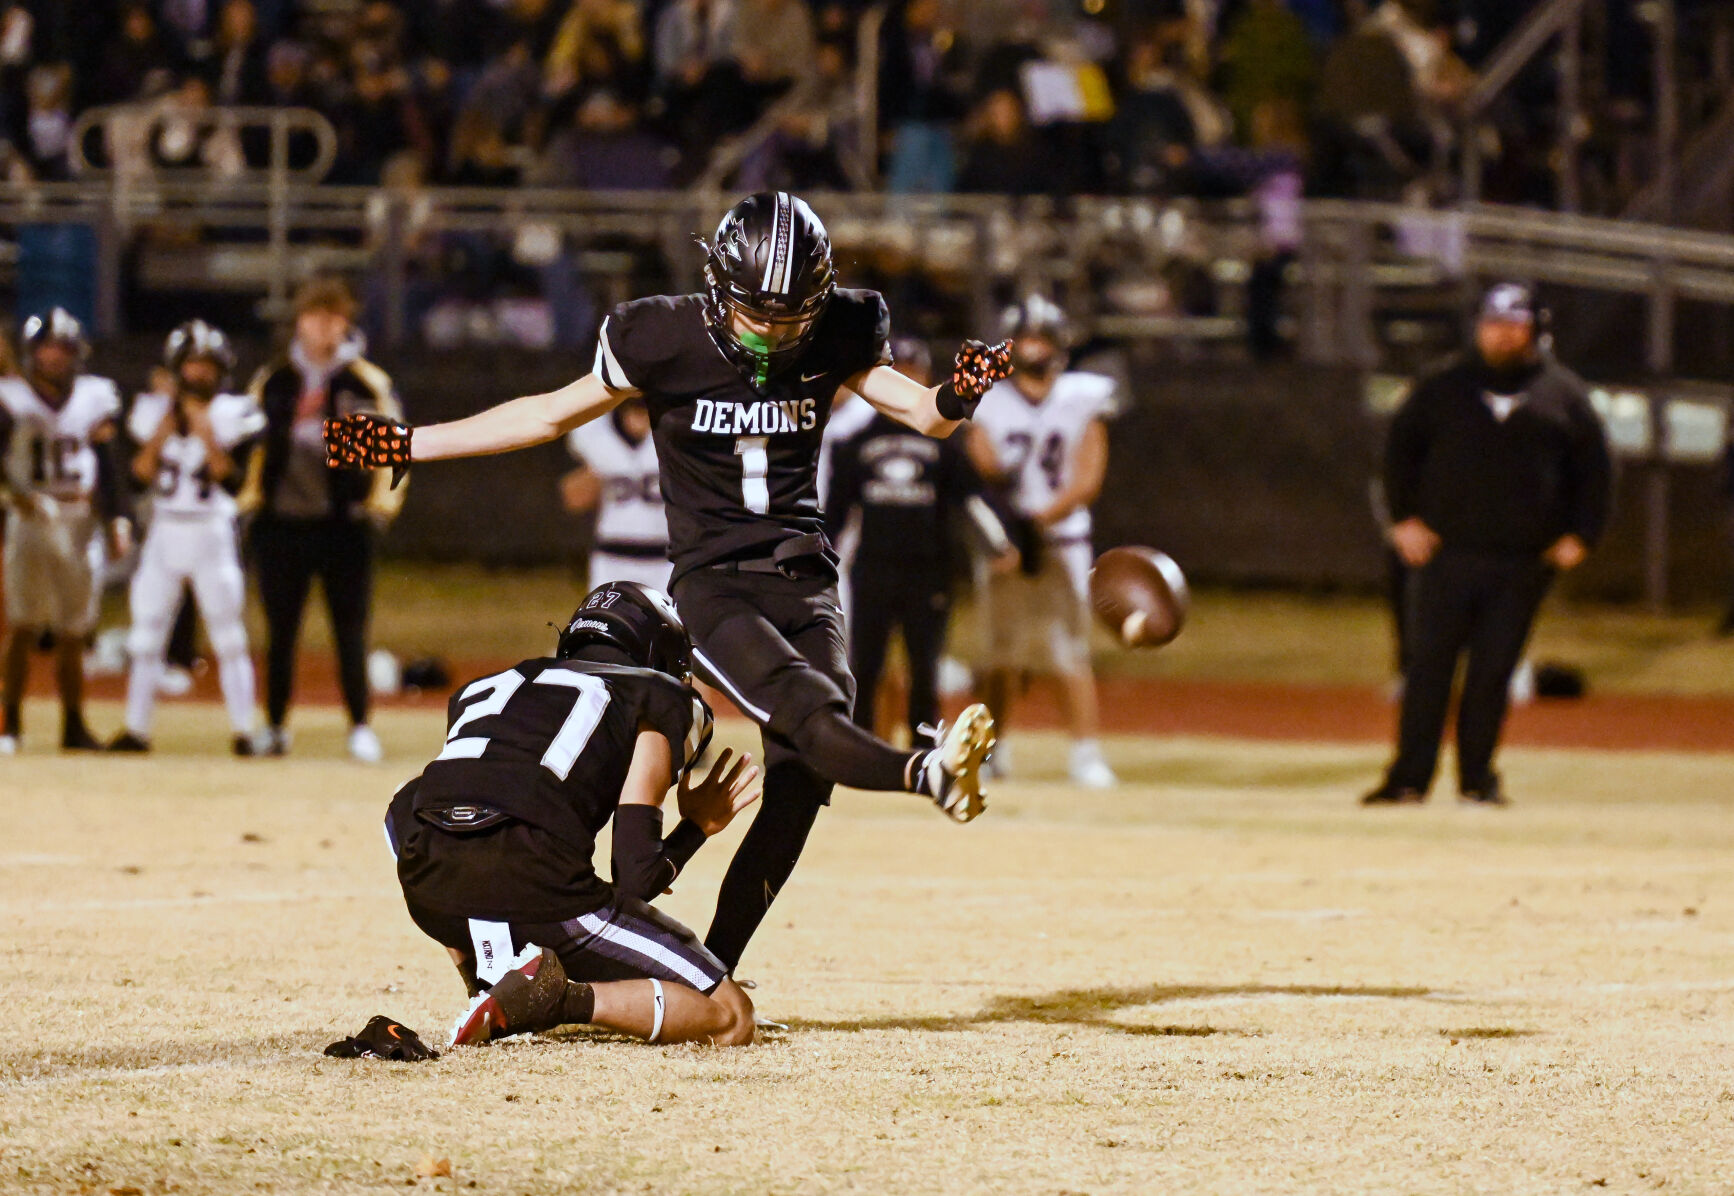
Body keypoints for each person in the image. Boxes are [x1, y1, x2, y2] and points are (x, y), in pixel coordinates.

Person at [326, 191, 1011, 976]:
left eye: (794, 318)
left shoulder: (844, 325)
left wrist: (958, 397)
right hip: (716, 586)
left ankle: (712, 974)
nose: (776, 334)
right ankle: (925, 771)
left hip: (805, 576)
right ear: (719, 288)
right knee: (805, 705)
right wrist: (412, 443)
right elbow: (548, 416)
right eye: (761, 314)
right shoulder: (657, 335)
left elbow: (925, 415)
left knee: (801, 784)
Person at [388, 581, 759, 1047]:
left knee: (430, 806)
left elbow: (404, 811)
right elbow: (636, 877)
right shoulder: (655, 696)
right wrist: (697, 828)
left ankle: (487, 984)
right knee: (732, 1017)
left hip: (427, 887)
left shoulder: (484, 689)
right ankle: (554, 999)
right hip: (539, 887)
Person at [1365, 282, 1612, 806]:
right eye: (1492, 324)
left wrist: (1581, 535)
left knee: (1493, 673)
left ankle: (1478, 779)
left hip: (1520, 561)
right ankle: (1409, 777)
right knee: (1427, 668)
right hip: (1445, 556)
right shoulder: (1440, 386)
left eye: (1513, 325)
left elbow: (1595, 472)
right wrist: (1404, 520)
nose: (1501, 335)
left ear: (1535, 331)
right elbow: (1398, 456)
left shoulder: (1562, 394)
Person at [238, 276, 405, 762]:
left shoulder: (362, 381)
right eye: (315, 317)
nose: (324, 328)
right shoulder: (275, 380)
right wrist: (252, 506)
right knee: (281, 632)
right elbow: (251, 446)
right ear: (299, 322)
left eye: (334, 318)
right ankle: (274, 725)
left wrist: (377, 510)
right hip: (282, 524)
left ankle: (358, 725)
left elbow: (395, 448)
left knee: (350, 630)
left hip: (342, 526)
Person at [824, 336, 1011, 743]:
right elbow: (835, 513)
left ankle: (924, 748)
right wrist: (818, 560)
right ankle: (861, 746)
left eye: (914, 371)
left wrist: (1001, 545)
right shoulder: (853, 444)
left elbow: (972, 499)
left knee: (925, 666)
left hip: (929, 570)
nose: (907, 378)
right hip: (872, 568)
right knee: (865, 664)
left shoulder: (946, 445)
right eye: (898, 373)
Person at [967, 296, 1117, 788]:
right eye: (1025, 340)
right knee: (998, 652)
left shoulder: (1082, 397)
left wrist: (1040, 519)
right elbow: (981, 464)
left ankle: (1085, 753)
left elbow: (1088, 477)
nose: (1033, 349)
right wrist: (1012, 524)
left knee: (1068, 649)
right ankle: (994, 750)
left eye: (1041, 339)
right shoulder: (989, 398)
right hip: (1004, 541)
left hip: (1062, 538)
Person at [109, 321, 265, 756]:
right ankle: (136, 730)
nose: (198, 373)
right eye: (191, 365)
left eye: (206, 365)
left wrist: (200, 426)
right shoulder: (151, 413)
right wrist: (164, 429)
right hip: (163, 530)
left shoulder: (236, 412)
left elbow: (231, 480)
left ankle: (244, 732)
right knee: (145, 635)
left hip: (211, 530)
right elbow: (137, 478)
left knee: (229, 636)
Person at [0, 309, 131, 754]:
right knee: (24, 622)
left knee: (79, 629)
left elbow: (111, 465)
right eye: (47, 348)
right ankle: (10, 724)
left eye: (63, 349)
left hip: (79, 518)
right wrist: (17, 495)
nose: (55, 357)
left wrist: (118, 517)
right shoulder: (12, 398)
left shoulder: (95, 397)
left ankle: (79, 725)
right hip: (34, 517)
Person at [560, 396, 670, 591]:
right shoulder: (595, 431)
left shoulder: (677, 427)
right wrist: (599, 470)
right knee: (605, 621)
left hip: (667, 560)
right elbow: (574, 499)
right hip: (612, 558)